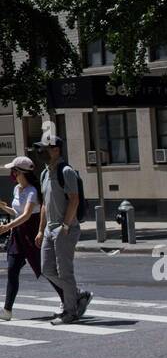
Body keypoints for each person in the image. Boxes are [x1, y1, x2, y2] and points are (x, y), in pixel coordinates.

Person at [33, 135, 91, 324]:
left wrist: (65, 226)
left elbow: (74, 199)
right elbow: (44, 205)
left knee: (65, 272)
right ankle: (77, 294)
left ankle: (70, 311)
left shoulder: (66, 171)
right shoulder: (44, 173)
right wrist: (41, 230)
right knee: (47, 269)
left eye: (45, 149)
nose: (41, 152)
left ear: (56, 150)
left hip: (65, 229)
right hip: (50, 230)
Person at [0, 156, 59, 321]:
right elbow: (17, 212)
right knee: (12, 270)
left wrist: (6, 227)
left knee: (45, 269)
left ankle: (69, 298)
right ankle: (7, 310)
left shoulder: (32, 191)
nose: (12, 174)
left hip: (31, 233)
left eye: (14, 171)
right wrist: (4, 208)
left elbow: (26, 215)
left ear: (20, 172)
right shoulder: (17, 189)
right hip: (17, 235)